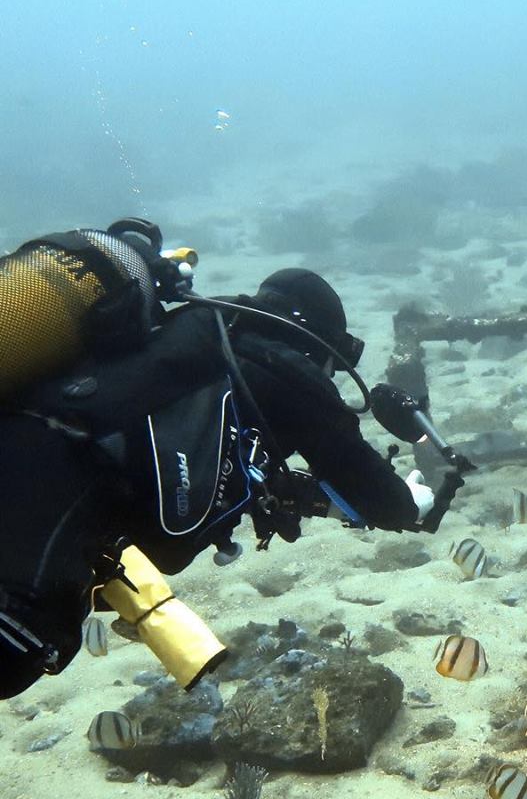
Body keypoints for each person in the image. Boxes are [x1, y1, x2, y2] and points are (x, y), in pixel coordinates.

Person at [0, 219, 443, 699]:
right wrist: (411, 502)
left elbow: (247, 477)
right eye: (334, 361)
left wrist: (315, 502)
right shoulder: (282, 368)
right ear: (316, 341)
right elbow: (375, 491)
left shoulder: (194, 342)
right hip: (27, 555)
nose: (331, 374)